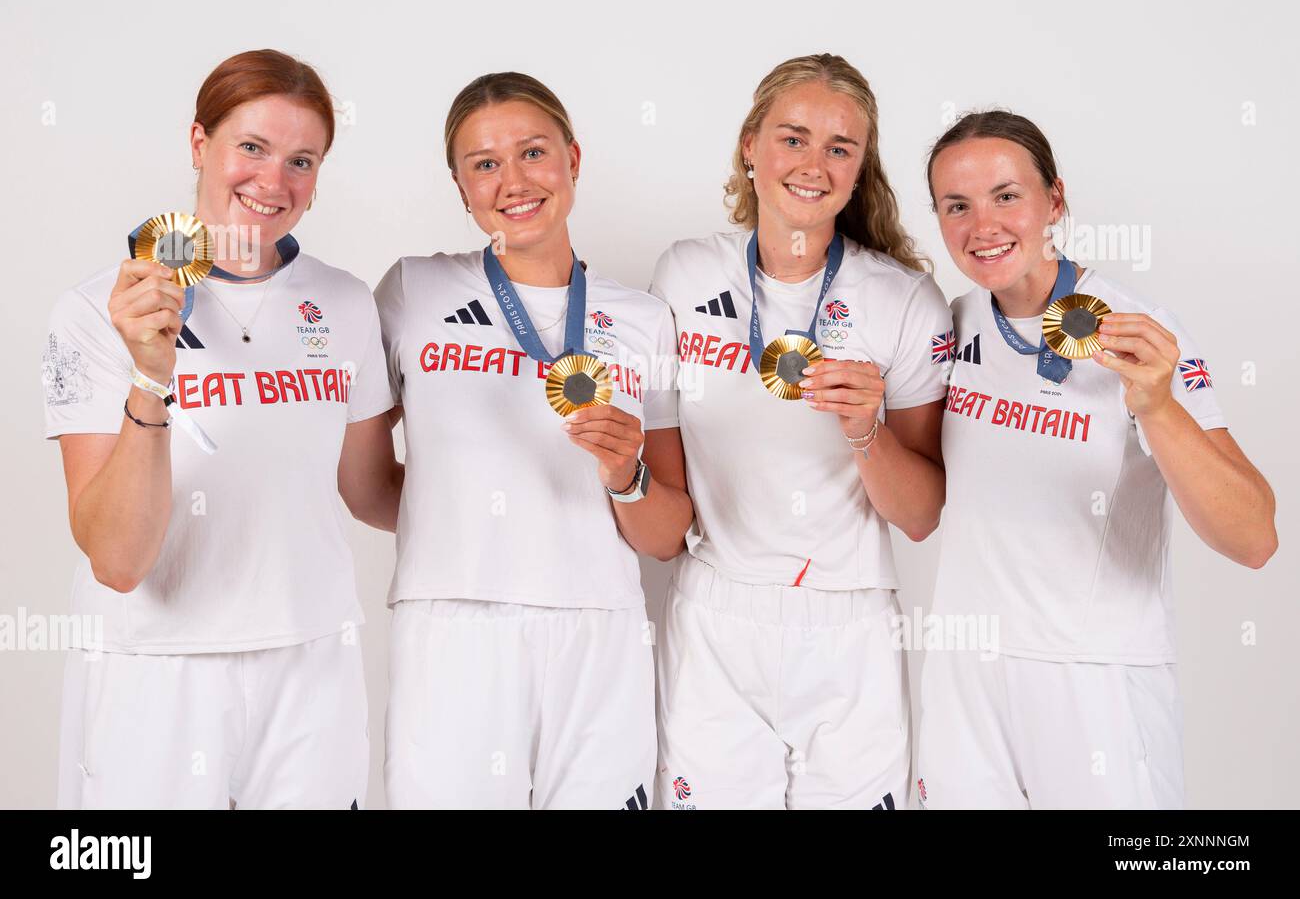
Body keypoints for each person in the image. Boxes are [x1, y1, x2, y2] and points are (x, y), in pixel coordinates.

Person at [43, 49, 401, 809]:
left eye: (301, 160)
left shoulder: (343, 303)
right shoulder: (95, 312)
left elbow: (371, 490)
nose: (274, 182)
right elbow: (117, 558)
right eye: (252, 148)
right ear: (199, 143)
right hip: (156, 667)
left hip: (311, 662)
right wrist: (150, 376)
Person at [916, 110, 1278, 809]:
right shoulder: (950, 324)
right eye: (956, 205)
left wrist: (1159, 406)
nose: (982, 225)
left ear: (1054, 200)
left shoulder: (1138, 330)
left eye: (1006, 195)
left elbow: (1254, 537)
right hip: (965, 677)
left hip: (1095, 679)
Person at [375, 72, 693, 809]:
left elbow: (668, 535)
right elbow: (361, 478)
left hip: (599, 627)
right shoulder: (411, 292)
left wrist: (625, 473)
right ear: (459, 185)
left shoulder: (642, 319)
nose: (512, 180)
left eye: (533, 152)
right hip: (453, 623)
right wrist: (451, 513)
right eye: (483, 163)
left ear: (573, 160)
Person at [649, 53, 952, 809]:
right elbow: (667, 484)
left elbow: (919, 515)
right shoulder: (684, 275)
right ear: (750, 145)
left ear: (858, 171)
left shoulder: (907, 299)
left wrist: (865, 432)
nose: (814, 164)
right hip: (718, 611)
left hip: (850, 623)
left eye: (840, 148)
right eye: (793, 137)